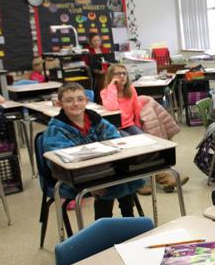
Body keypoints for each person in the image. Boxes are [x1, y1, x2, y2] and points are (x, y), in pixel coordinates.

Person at [42, 83, 144, 219]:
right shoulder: (55, 129)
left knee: (124, 176)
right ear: (59, 104)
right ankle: (104, 223)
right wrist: (90, 180)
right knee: (108, 185)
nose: (75, 104)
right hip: (73, 176)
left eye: (80, 99)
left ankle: (128, 217)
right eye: (69, 100)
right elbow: (59, 161)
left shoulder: (96, 120)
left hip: (102, 170)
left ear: (86, 101)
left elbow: (114, 137)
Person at [100, 64, 143, 136]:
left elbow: (137, 108)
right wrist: (112, 86)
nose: (122, 76)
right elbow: (112, 107)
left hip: (129, 124)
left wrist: (138, 126)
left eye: (124, 73)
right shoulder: (105, 92)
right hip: (116, 127)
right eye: (118, 74)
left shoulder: (131, 90)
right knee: (128, 139)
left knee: (142, 137)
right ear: (111, 76)